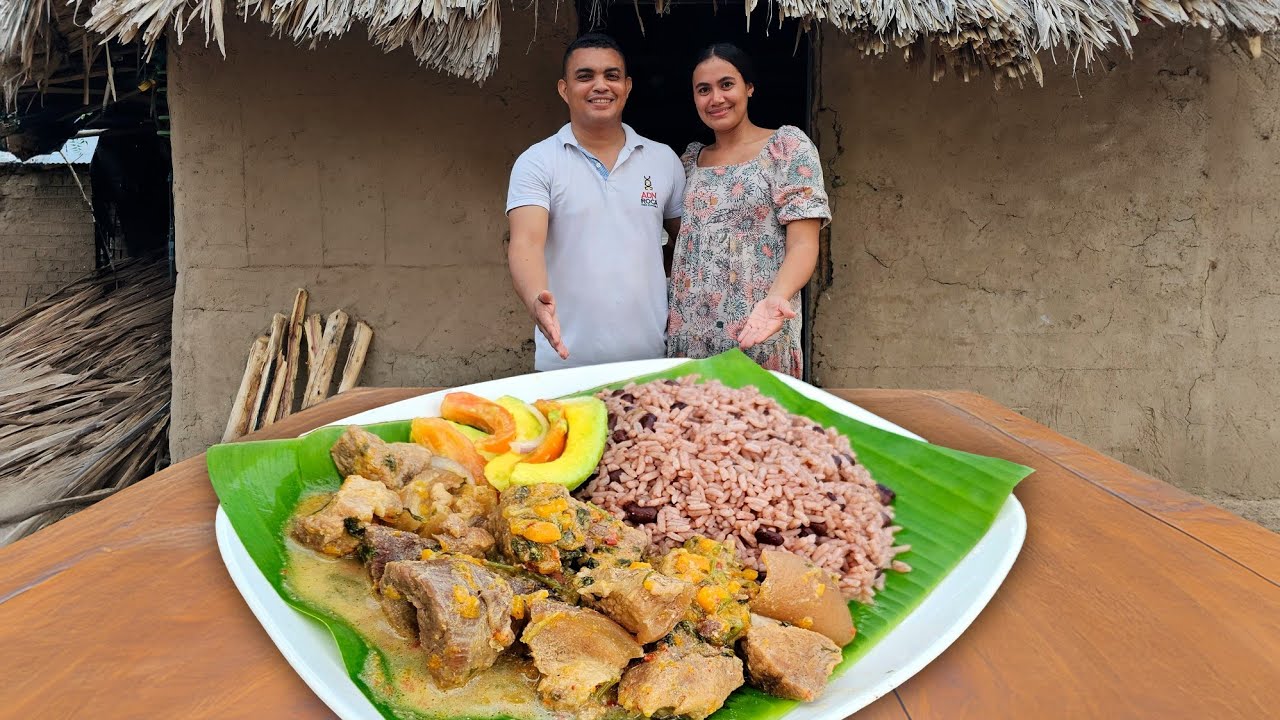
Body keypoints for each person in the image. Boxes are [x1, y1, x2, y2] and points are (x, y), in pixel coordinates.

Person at [506, 33, 685, 371]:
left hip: (651, 361)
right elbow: (526, 243)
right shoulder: (538, 162)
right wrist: (535, 300)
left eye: (611, 75)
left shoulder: (663, 160)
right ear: (564, 89)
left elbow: (686, 247)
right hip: (564, 363)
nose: (600, 85)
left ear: (627, 87)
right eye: (585, 76)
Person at [666, 43, 830, 378]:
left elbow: (803, 243)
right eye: (703, 90)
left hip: (758, 328)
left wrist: (776, 299)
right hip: (691, 335)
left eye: (727, 84)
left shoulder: (785, 148)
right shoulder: (689, 162)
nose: (716, 98)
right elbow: (681, 243)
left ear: (749, 88)